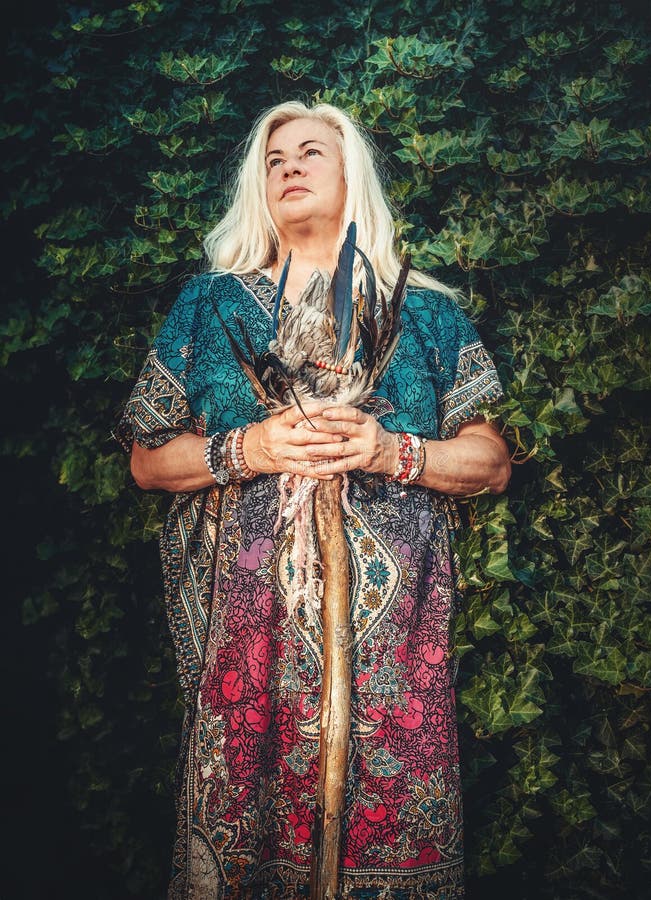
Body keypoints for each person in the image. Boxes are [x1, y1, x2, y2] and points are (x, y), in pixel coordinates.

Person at [115, 99, 511, 899]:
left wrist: (392, 450)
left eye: (310, 152)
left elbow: (490, 462)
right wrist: (248, 448)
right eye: (273, 159)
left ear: (349, 172)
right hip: (244, 634)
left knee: (388, 812)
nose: (289, 167)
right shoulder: (209, 303)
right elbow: (147, 463)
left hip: (395, 643)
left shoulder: (427, 312)